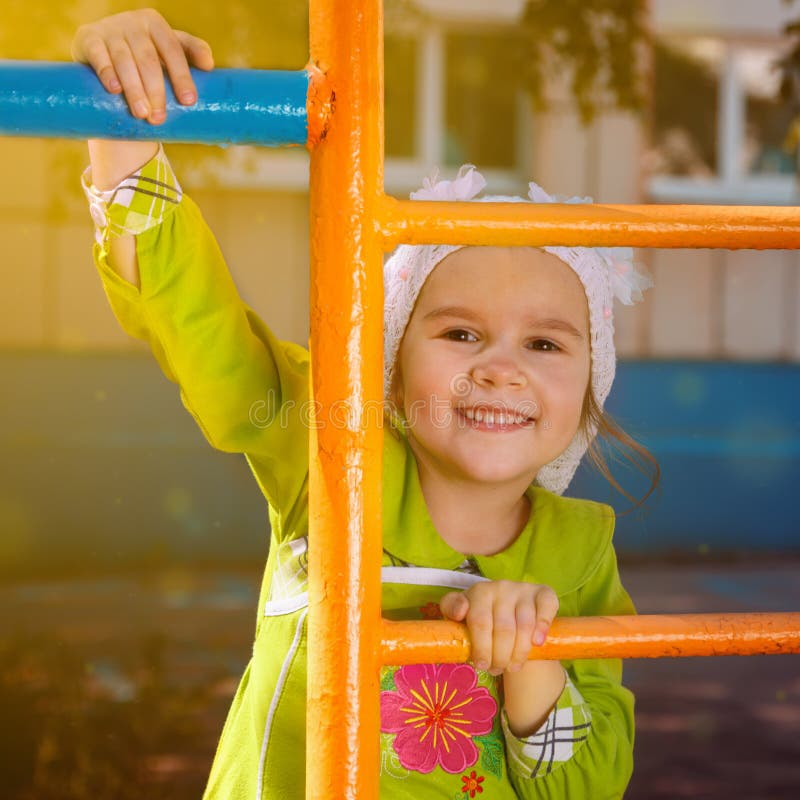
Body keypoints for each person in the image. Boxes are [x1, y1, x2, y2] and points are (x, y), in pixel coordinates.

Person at [72, 9, 657, 799]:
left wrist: (532, 663)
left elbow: (592, 785)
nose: (500, 370)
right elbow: (198, 329)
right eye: (459, 333)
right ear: (387, 364)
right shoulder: (333, 450)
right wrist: (125, 122)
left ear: (591, 389)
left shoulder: (581, 554)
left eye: (545, 345)